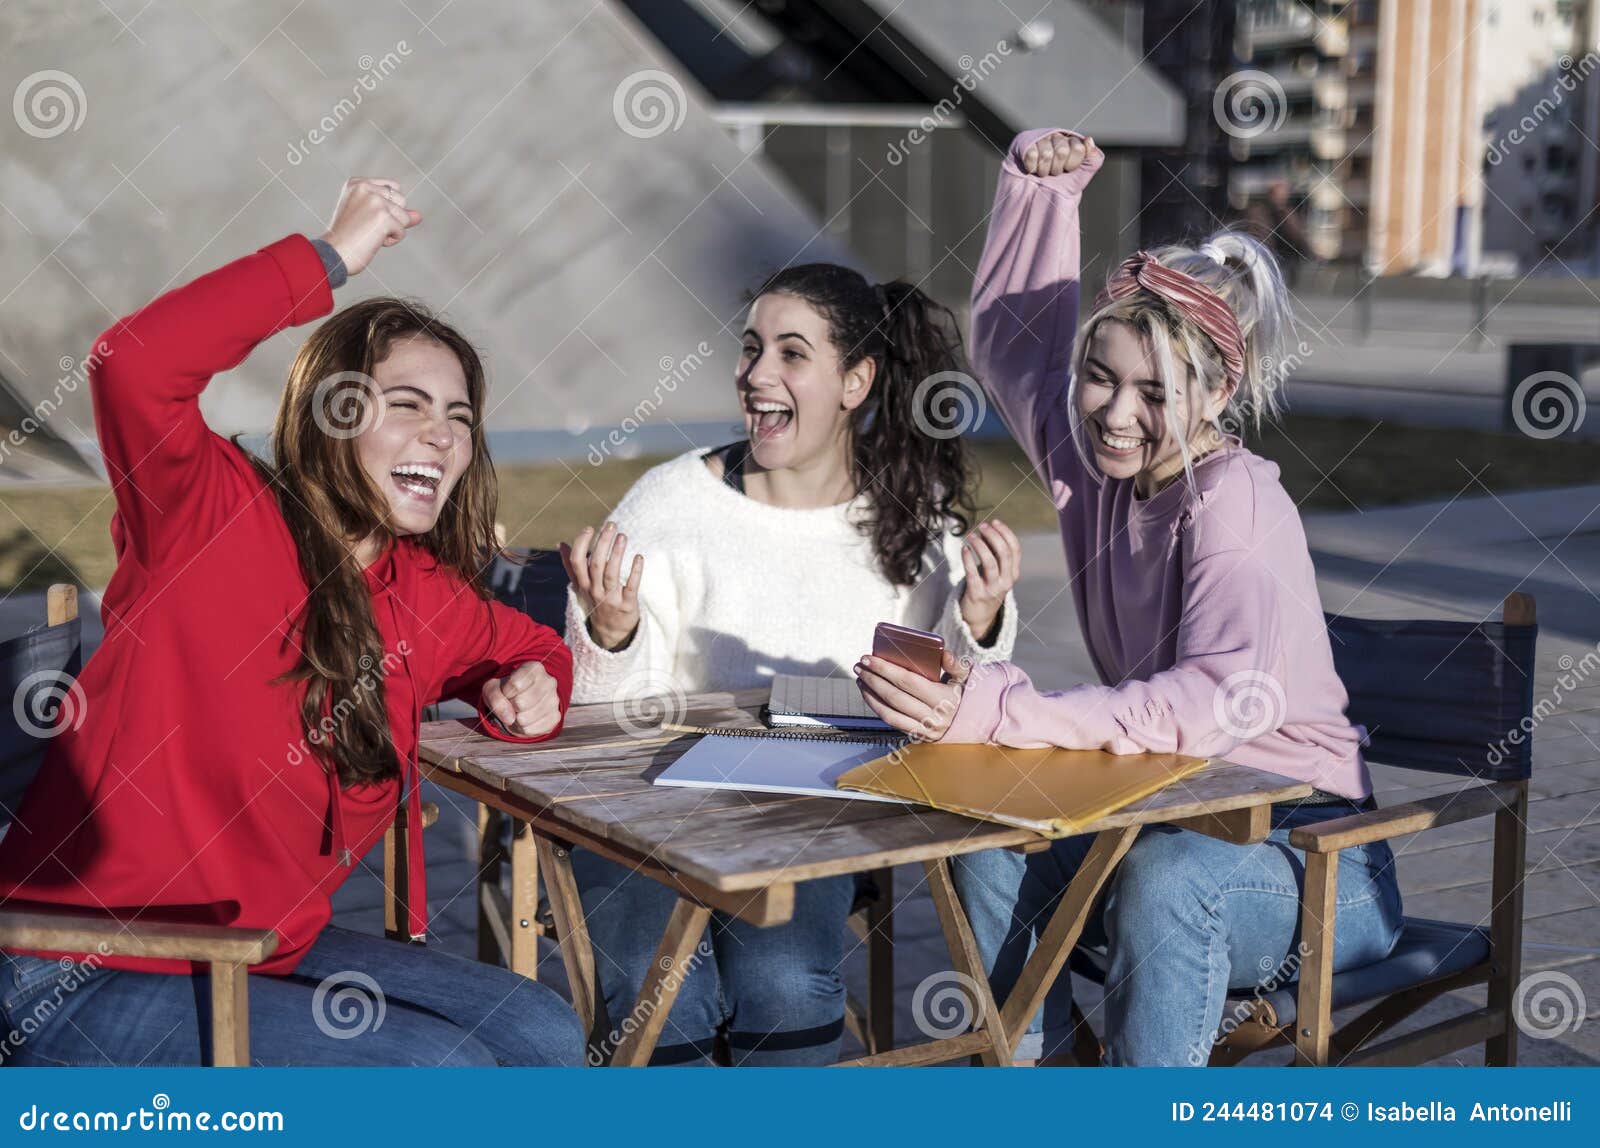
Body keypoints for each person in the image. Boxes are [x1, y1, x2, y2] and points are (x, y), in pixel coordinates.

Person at [0, 178, 584, 1066]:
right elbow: (132, 363)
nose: (443, 437)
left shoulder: (420, 593)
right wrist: (327, 258)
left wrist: (539, 686)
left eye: (460, 418)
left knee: (543, 1031)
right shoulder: (209, 517)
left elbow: (531, 646)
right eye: (410, 406)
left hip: (259, 960)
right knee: (448, 1075)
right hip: (84, 965)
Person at [853, 130, 1403, 1066]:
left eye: (1155, 391)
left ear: (1218, 390)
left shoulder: (1237, 503)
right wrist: (1040, 198)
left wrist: (995, 706)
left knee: (1163, 879)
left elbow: (1206, 701)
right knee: (987, 834)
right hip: (1172, 814)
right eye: (1100, 375)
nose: (1113, 411)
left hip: (1319, 858)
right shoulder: (1097, 467)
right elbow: (1017, 357)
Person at [559, 264, 1021, 1064]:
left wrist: (978, 623)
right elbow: (600, 721)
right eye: (751, 348)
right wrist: (611, 632)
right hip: (652, 820)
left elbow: (955, 707)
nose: (757, 374)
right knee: (661, 983)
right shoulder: (666, 505)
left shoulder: (912, 516)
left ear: (856, 380)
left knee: (784, 979)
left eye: (791, 353)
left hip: (810, 822)